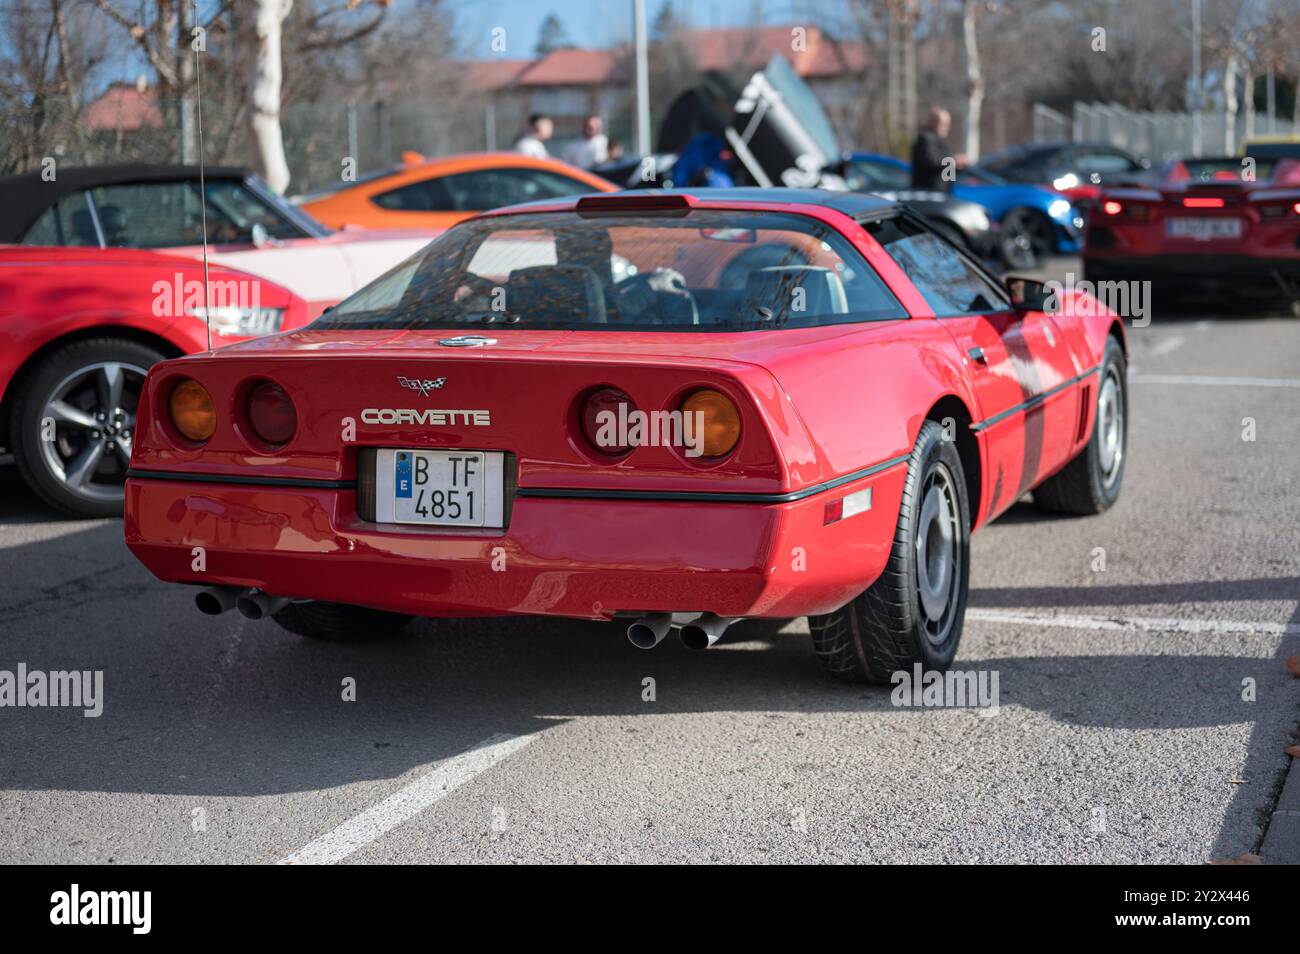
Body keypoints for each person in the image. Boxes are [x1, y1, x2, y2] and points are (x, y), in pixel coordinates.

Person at [910, 107, 968, 191]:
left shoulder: (940, 141)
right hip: (929, 192)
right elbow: (932, 163)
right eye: (943, 124)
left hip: (943, 191)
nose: (947, 128)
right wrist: (954, 161)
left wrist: (959, 166)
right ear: (933, 122)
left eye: (948, 124)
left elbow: (946, 171)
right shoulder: (926, 139)